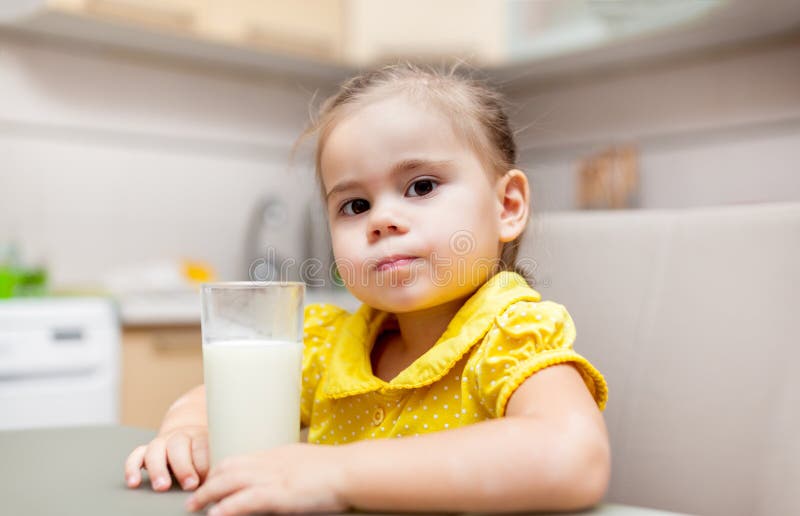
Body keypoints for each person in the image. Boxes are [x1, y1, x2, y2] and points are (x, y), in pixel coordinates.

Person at [124, 63, 610, 515]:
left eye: (420, 187)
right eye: (354, 205)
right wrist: (188, 431)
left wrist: (336, 472)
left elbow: (574, 455)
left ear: (507, 206)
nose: (381, 220)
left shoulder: (510, 337)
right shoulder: (331, 346)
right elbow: (212, 398)